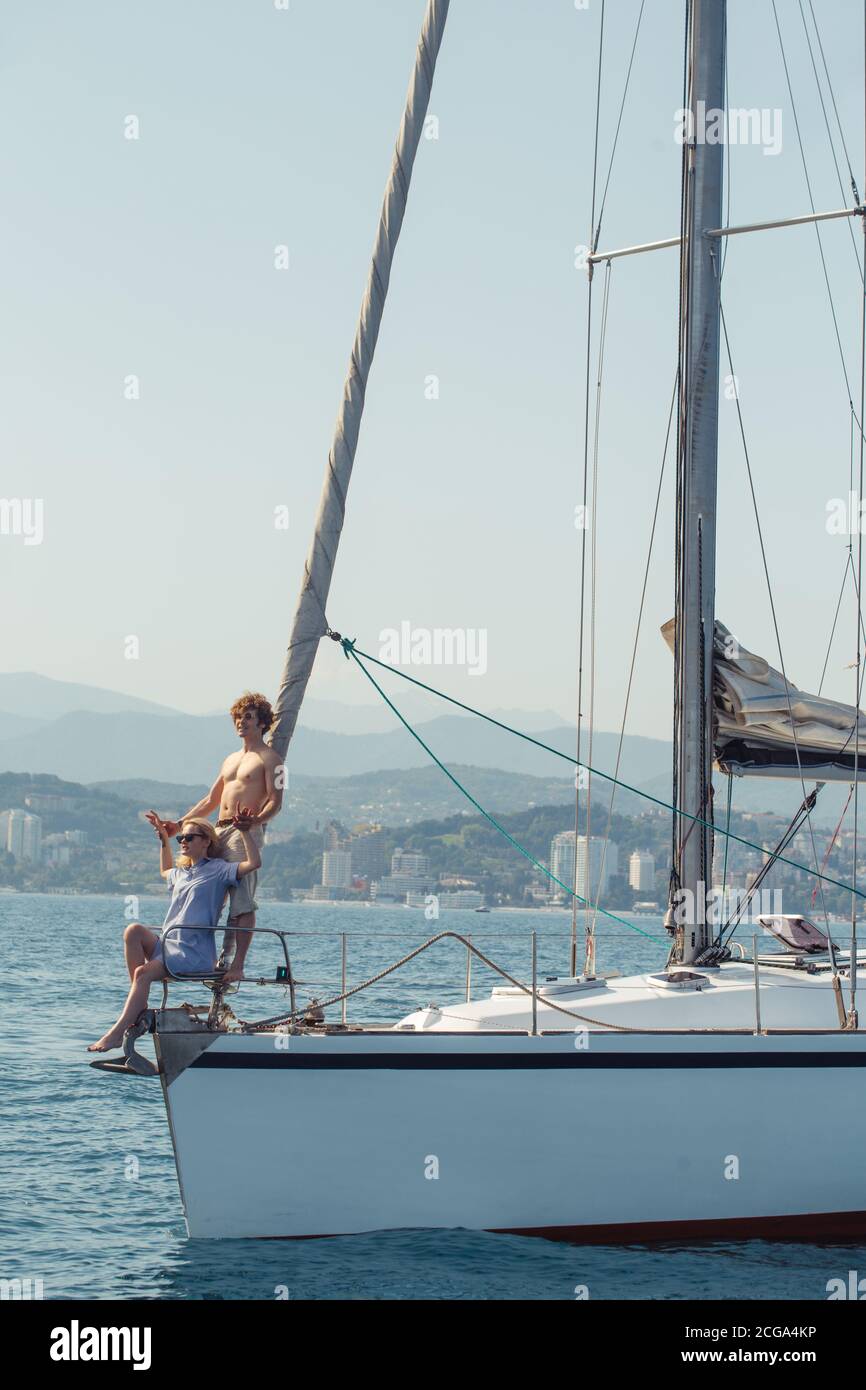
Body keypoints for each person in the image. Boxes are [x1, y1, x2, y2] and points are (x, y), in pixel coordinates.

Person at [87, 810, 261, 1054]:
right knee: (133, 930)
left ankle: (117, 1033)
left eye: (189, 838)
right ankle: (139, 1004)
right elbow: (164, 870)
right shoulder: (182, 873)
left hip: (192, 952)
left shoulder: (219, 870)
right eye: (181, 839)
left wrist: (244, 832)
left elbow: (253, 864)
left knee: (143, 973)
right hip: (168, 945)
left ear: (206, 841)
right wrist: (163, 841)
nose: (183, 842)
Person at [146, 692, 283, 984]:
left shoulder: (272, 759)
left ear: (262, 723)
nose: (241, 722)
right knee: (206, 893)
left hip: (242, 830)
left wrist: (253, 822)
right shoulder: (231, 759)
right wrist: (180, 825)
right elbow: (212, 799)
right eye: (238, 717)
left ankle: (236, 963)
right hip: (217, 830)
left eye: (247, 717)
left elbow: (276, 802)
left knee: (242, 900)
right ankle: (205, 956)